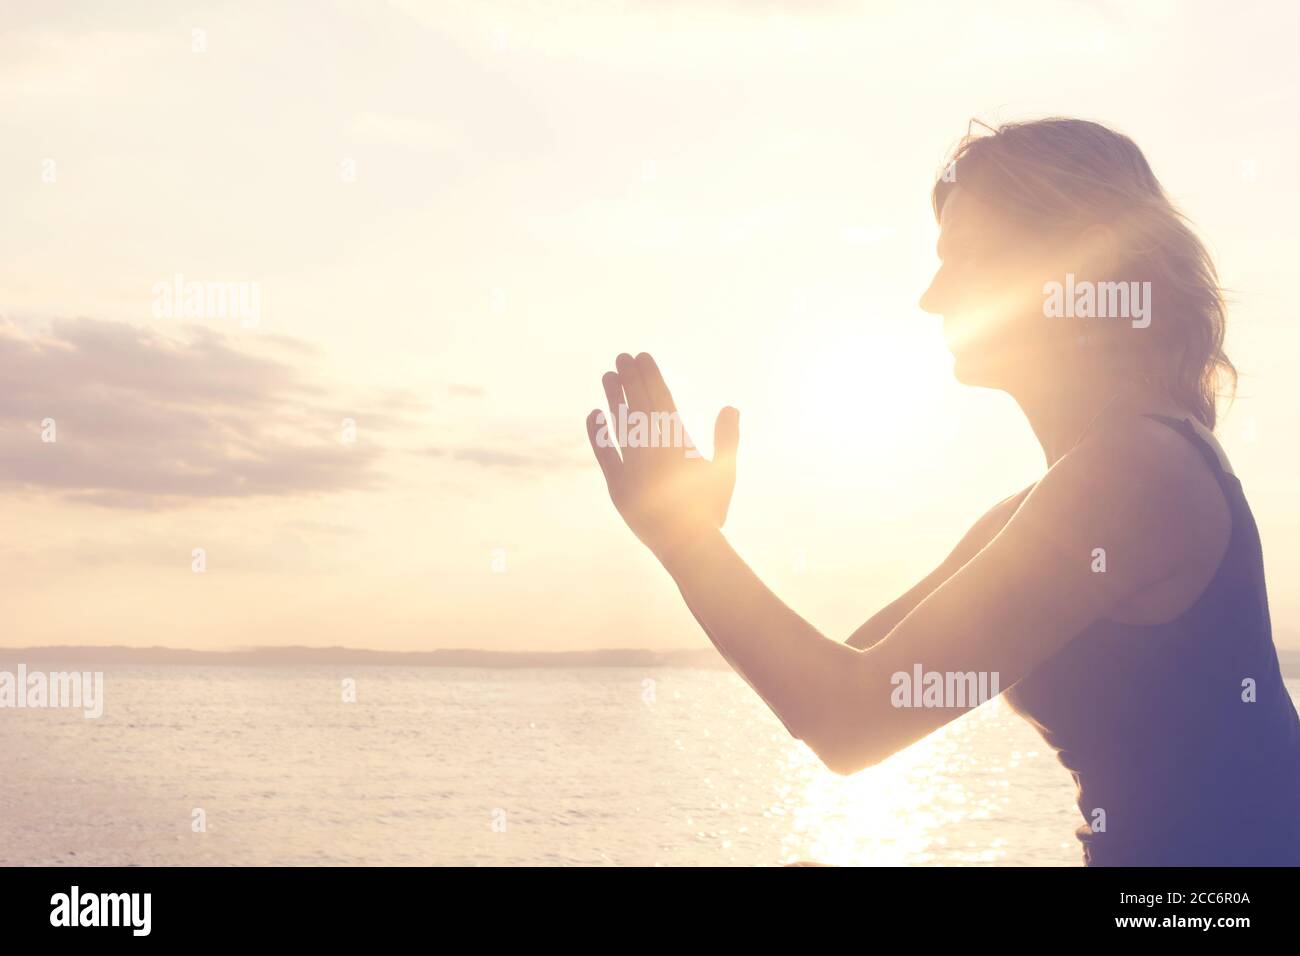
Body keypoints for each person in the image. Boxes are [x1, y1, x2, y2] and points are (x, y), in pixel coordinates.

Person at [584, 118, 1300, 866]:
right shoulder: (1074, 487)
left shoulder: (1133, 473)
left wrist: (687, 541)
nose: (931, 296)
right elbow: (848, 668)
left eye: (965, 258)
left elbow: (847, 720)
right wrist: (701, 538)